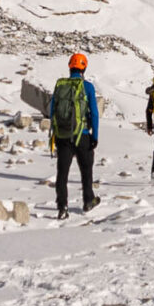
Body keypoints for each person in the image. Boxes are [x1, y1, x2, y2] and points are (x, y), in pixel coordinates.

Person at [47, 52, 99, 218]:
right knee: (86, 169)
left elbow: (52, 110)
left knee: (62, 173)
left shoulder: (61, 85)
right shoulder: (88, 87)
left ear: (70, 66)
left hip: (63, 135)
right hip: (82, 134)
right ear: (84, 67)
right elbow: (95, 114)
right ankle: (88, 201)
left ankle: (62, 207)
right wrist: (94, 136)